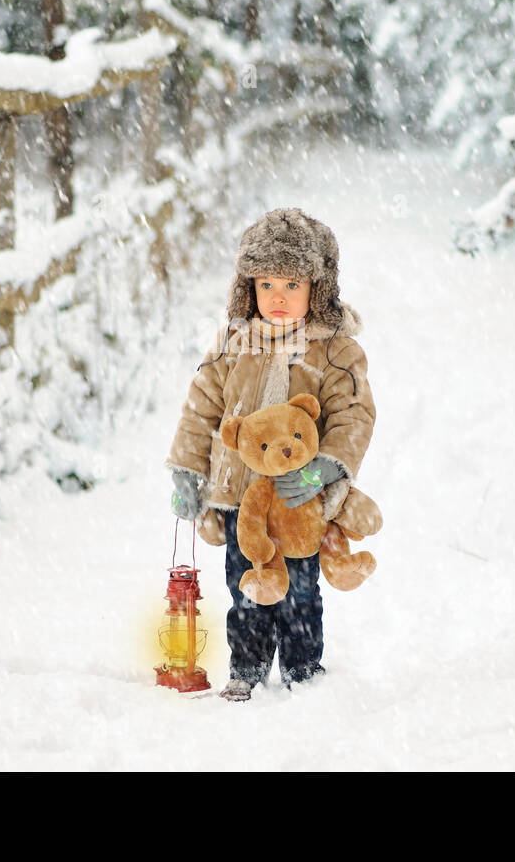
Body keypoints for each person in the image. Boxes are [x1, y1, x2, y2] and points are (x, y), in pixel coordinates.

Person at [164, 207, 377, 702]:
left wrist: (324, 471)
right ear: (248, 289)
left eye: (291, 286)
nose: (277, 299)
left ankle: (303, 667)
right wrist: (188, 471)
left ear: (316, 290)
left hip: (300, 500)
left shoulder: (335, 351)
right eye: (266, 286)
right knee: (247, 585)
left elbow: (354, 415)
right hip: (242, 498)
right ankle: (248, 666)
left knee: (299, 590)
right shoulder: (234, 344)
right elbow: (201, 408)